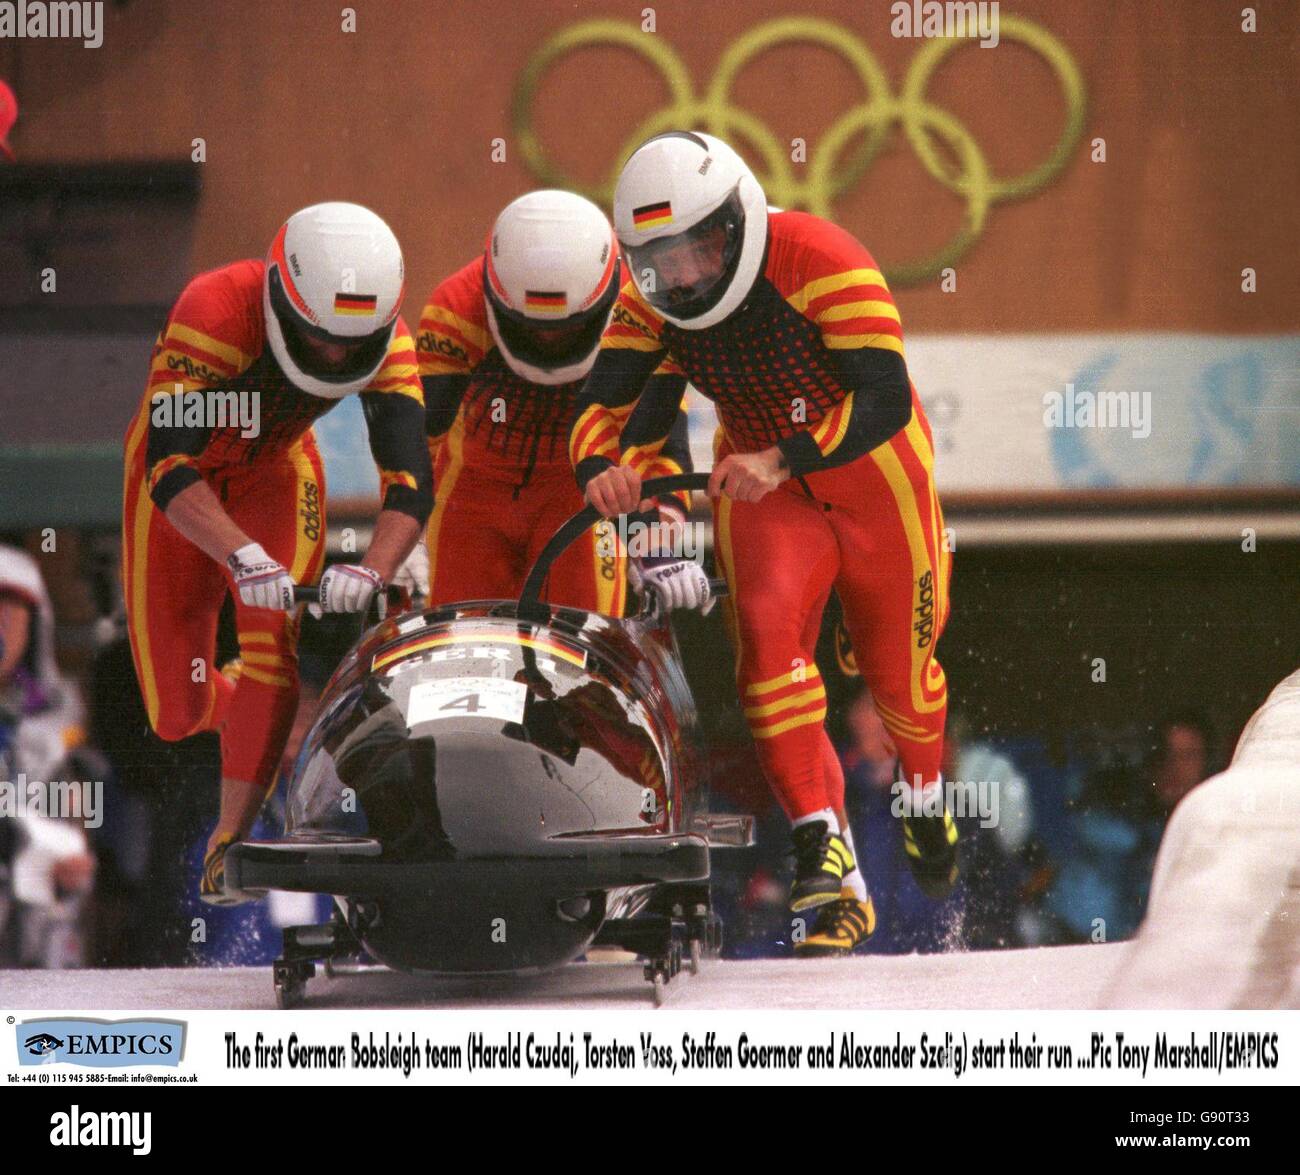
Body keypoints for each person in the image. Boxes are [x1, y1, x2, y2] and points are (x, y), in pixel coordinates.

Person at [572, 131, 956, 955]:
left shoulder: (825, 258)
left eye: (697, 250)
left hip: (873, 479)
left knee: (898, 680)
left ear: (737, 224)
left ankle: (925, 795)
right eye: (658, 260)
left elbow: (884, 397)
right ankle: (826, 854)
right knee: (767, 644)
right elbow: (601, 406)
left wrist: (784, 457)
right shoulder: (648, 304)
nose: (680, 276)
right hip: (761, 482)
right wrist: (598, 467)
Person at [120, 202, 432, 905]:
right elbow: (170, 466)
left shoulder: (393, 344)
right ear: (281, 301)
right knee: (175, 712)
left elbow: (412, 482)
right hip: (177, 488)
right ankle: (235, 701)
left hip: (278, 471)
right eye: (319, 338)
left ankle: (229, 841)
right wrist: (238, 554)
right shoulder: (215, 309)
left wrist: (374, 567)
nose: (334, 357)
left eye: (354, 344)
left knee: (274, 647)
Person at [415, 189, 701, 613]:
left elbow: (665, 446)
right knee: (461, 641)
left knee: (580, 646)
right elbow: (420, 442)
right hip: (473, 492)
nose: (548, 340)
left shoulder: (643, 312)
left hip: (583, 492)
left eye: (567, 329)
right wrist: (408, 532)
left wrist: (656, 546)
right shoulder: (455, 311)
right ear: (495, 295)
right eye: (531, 328)